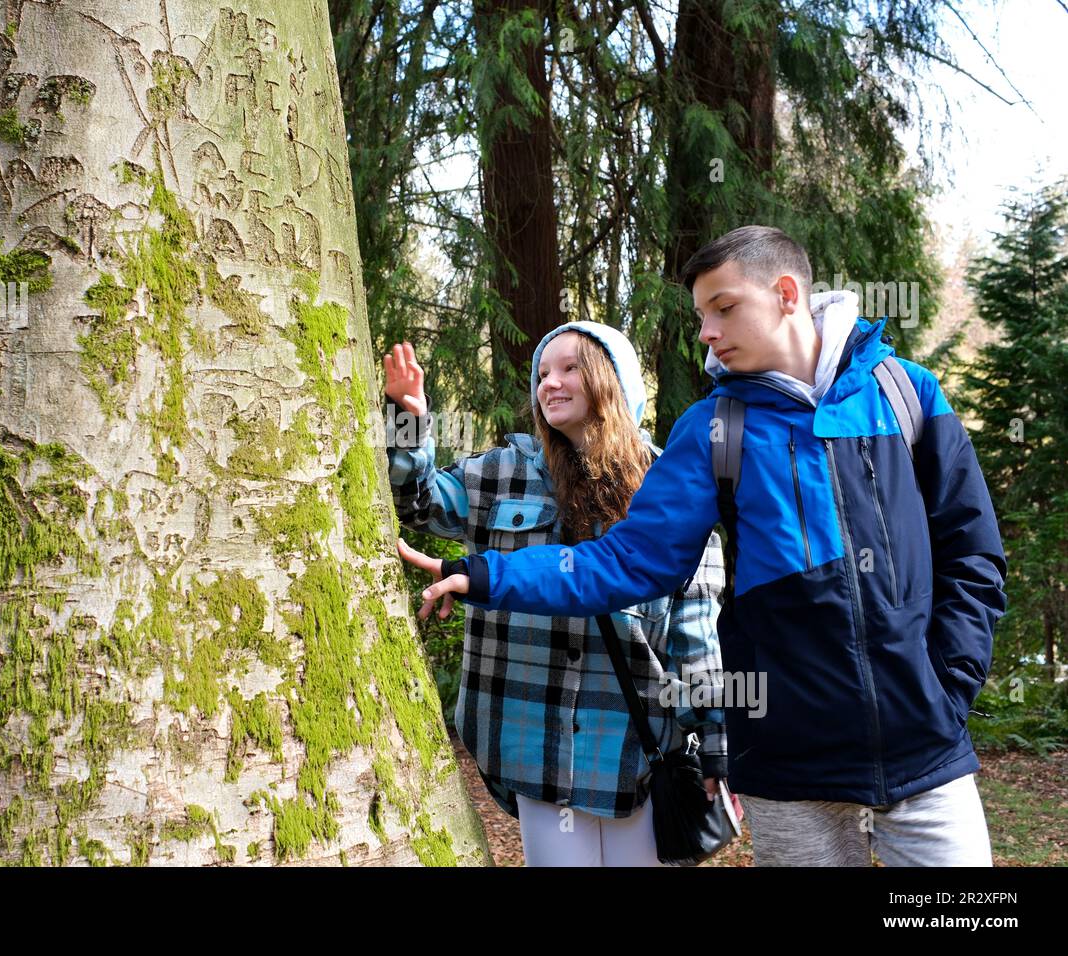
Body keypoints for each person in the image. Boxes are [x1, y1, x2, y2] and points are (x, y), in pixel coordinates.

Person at [406, 226, 1007, 867]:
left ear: (784, 294)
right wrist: (486, 574)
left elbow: (972, 552)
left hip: (925, 748)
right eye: (700, 315)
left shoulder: (906, 394)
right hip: (788, 762)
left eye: (723, 308)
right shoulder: (714, 428)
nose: (706, 332)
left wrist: (951, 682)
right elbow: (628, 560)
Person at [384, 322, 734, 866]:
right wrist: (407, 415)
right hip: (531, 743)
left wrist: (714, 737)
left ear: (612, 381)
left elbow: (694, 635)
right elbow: (421, 501)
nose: (551, 382)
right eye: (543, 372)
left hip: (635, 751)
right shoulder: (502, 474)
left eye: (571, 368)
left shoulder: (672, 487)